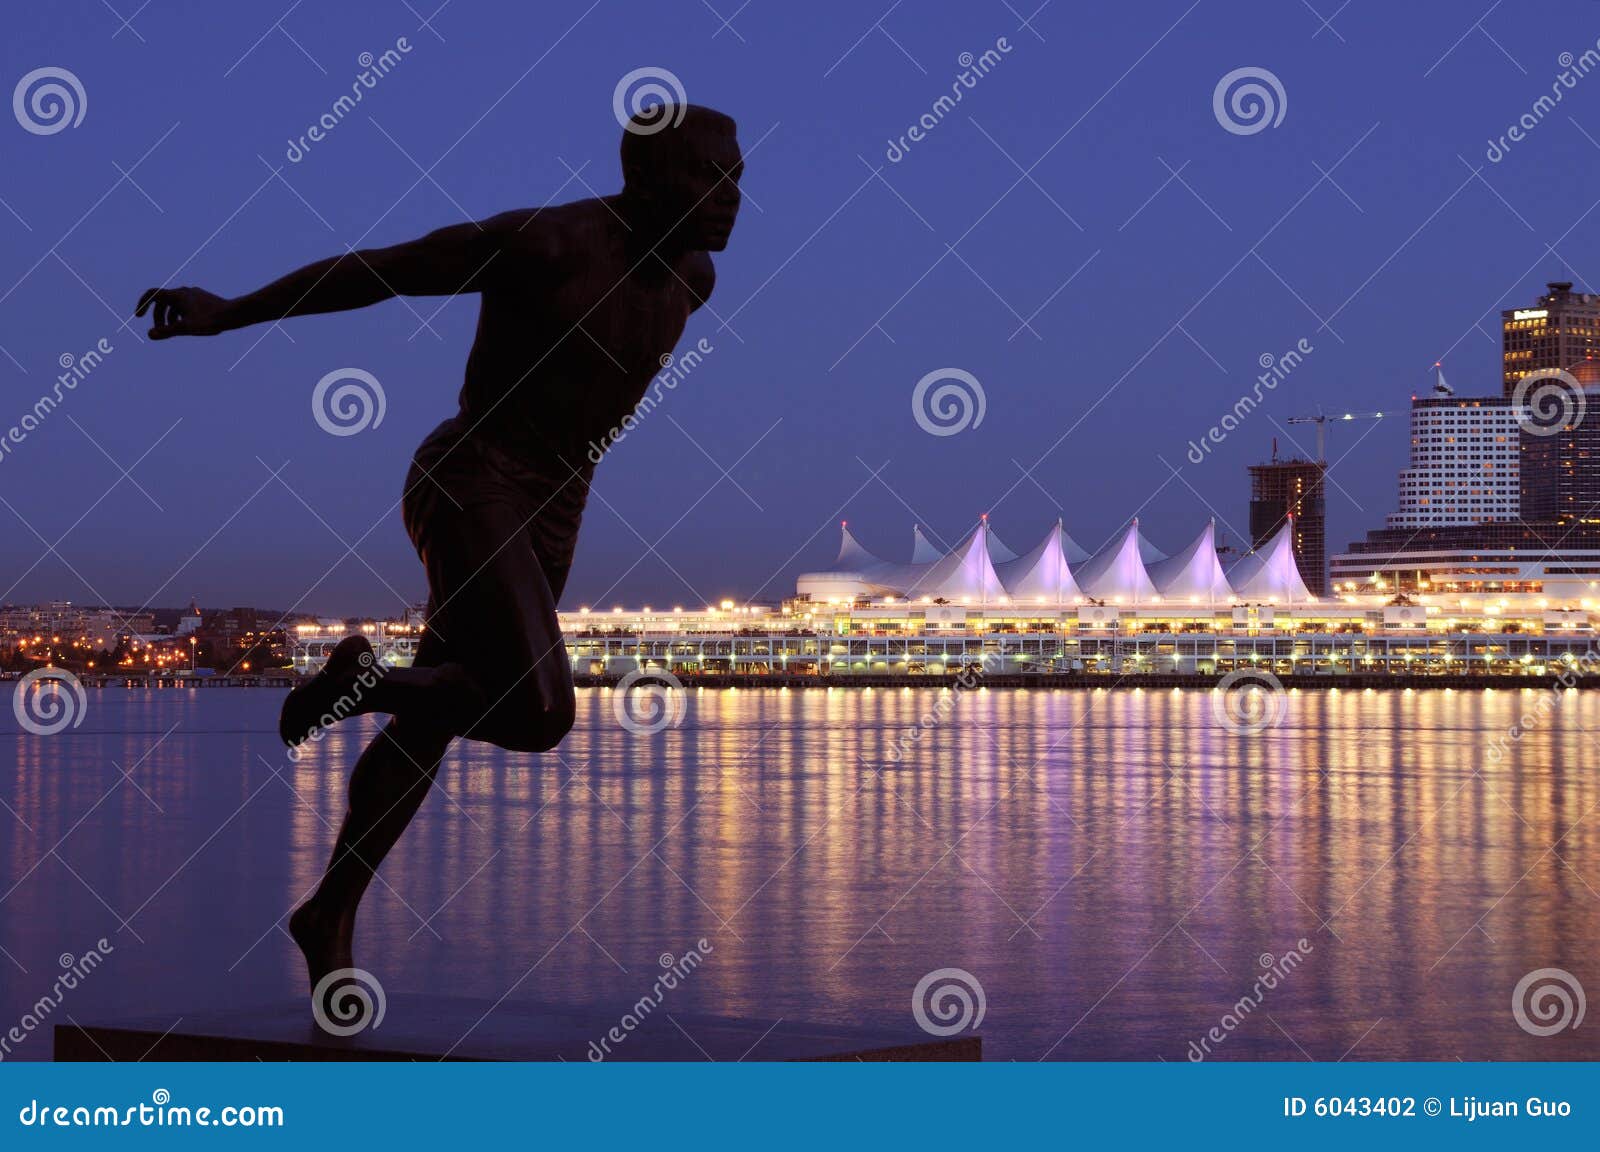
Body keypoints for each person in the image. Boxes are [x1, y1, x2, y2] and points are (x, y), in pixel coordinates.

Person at [135, 104, 743, 998]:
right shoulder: (547, 245)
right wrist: (228, 315)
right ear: (648, 179)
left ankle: (329, 909)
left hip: (557, 506)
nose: (729, 200)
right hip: (473, 477)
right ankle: (362, 686)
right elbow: (381, 273)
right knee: (538, 713)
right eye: (707, 177)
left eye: (737, 180)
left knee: (436, 716)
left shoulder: (693, 279)